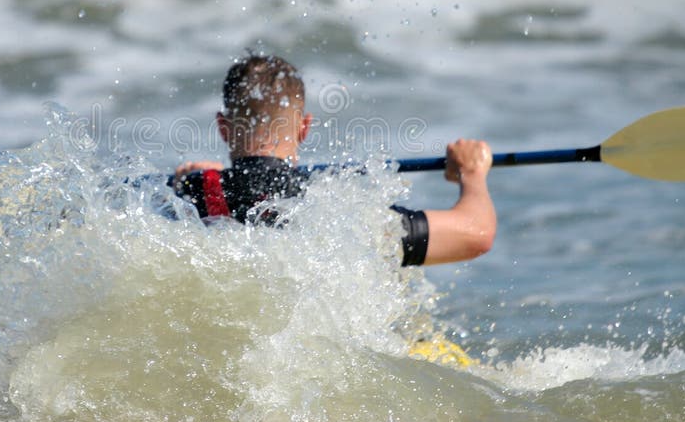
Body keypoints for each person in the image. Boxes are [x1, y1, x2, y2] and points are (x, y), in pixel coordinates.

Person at [171, 54, 496, 266]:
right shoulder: (337, 206)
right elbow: (477, 234)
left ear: (223, 128)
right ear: (304, 128)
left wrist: (201, 180)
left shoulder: (189, 197)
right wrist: (472, 172)